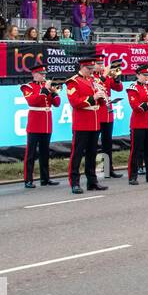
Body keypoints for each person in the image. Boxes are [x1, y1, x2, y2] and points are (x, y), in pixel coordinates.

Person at [65, 57, 105, 194]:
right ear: (82, 67)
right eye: (89, 69)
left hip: (94, 121)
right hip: (82, 122)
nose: (91, 71)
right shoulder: (73, 81)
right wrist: (93, 98)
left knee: (92, 154)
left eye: (92, 69)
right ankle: (74, 182)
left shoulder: (93, 80)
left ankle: (92, 181)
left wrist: (102, 98)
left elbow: (98, 101)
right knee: (77, 154)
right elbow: (75, 102)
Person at [20, 64, 61, 189]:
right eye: (41, 74)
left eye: (44, 74)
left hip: (46, 122)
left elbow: (57, 103)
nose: (44, 76)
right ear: (34, 74)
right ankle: (28, 179)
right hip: (35, 123)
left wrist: (53, 93)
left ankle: (45, 178)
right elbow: (32, 101)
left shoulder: (47, 87)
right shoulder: (28, 87)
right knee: (31, 153)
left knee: (45, 152)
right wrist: (44, 91)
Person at [94, 57, 125, 179]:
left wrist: (116, 78)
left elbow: (119, 88)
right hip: (97, 112)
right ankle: (98, 169)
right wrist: (105, 75)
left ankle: (108, 169)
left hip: (108, 113)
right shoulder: (94, 77)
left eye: (102, 63)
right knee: (96, 143)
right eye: (98, 64)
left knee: (107, 142)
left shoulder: (106, 75)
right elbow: (96, 88)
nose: (101, 66)